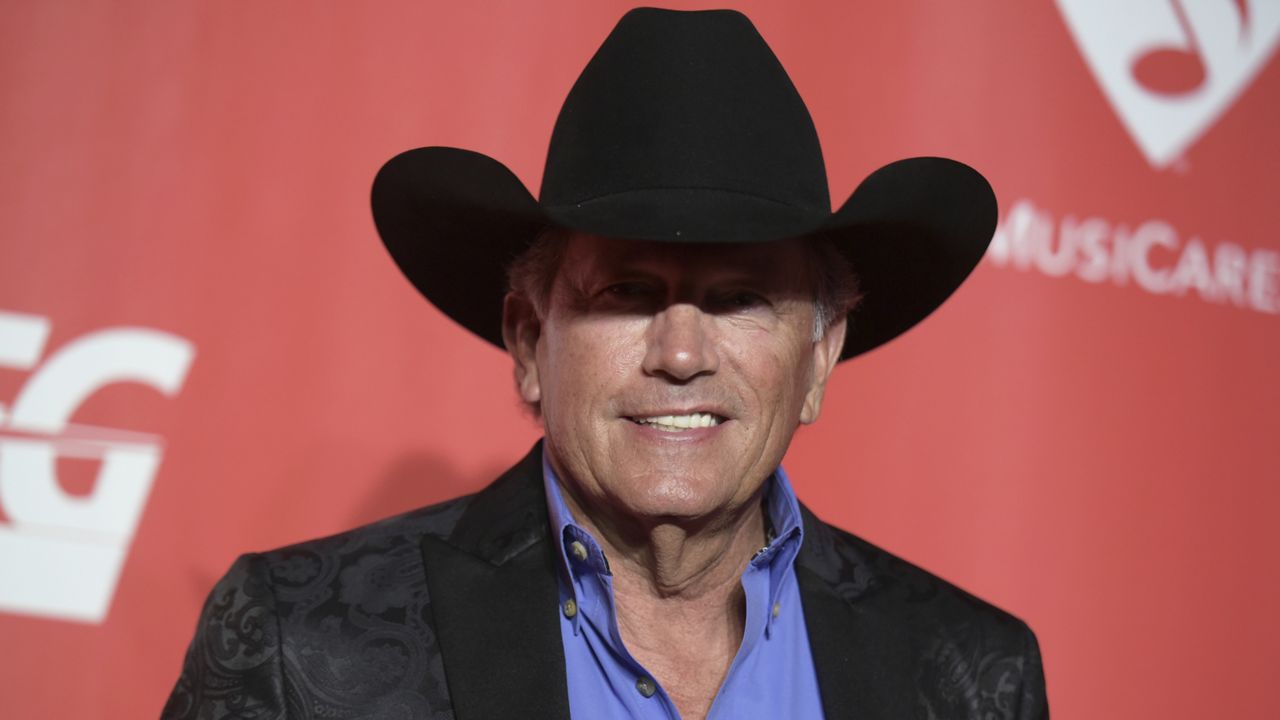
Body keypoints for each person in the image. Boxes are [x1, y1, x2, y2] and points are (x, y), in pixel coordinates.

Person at [163, 8, 1048, 720]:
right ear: (527, 343)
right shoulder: (301, 640)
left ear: (818, 358)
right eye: (626, 293)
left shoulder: (974, 677)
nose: (681, 353)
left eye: (740, 299)